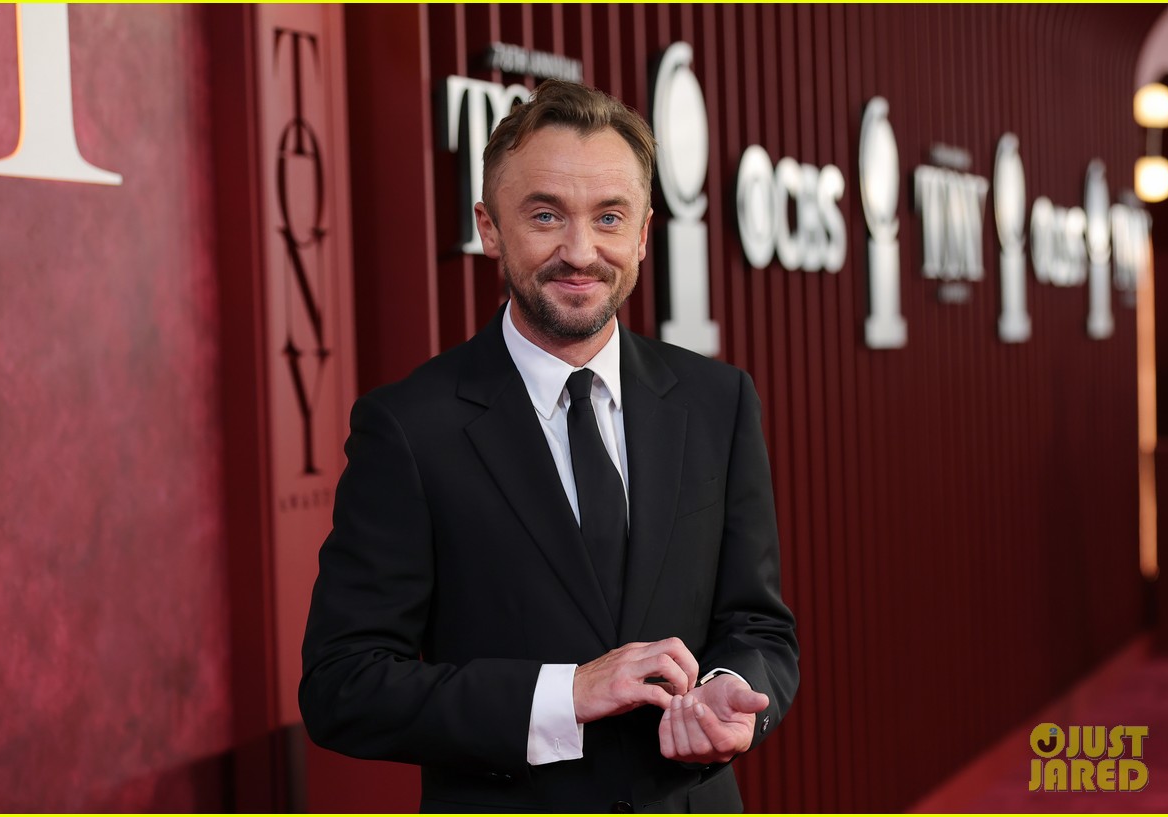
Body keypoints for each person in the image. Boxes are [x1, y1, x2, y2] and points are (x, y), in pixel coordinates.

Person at [299, 79, 799, 813]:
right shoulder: (408, 428)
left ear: (643, 234)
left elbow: (759, 625)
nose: (580, 251)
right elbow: (342, 684)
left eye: (609, 217)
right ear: (489, 227)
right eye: (545, 216)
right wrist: (564, 694)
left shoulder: (717, 402)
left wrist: (734, 689)